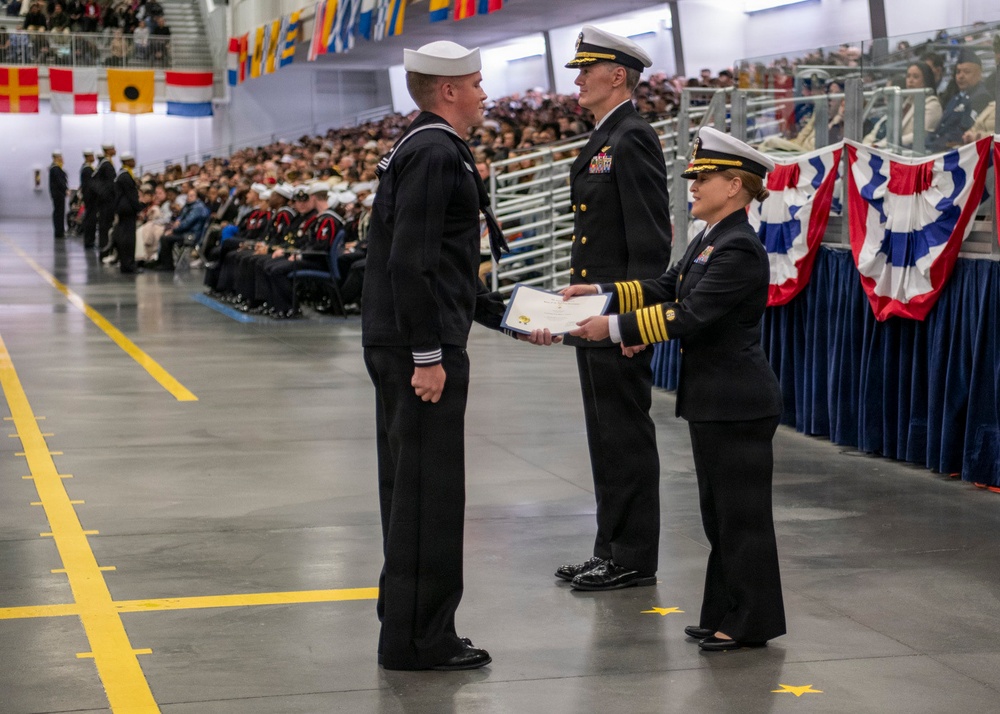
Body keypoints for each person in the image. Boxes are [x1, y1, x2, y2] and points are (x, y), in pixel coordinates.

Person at [361, 40, 554, 672]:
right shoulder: (435, 151)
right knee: (428, 495)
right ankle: (422, 640)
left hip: (409, 339)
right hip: (418, 348)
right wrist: (427, 355)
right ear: (448, 91)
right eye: (475, 82)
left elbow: (446, 270)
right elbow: (411, 261)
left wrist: (515, 318)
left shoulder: (425, 145)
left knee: (411, 491)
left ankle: (407, 627)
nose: (484, 93)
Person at [567, 126, 785, 652]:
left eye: (704, 178)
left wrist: (613, 327)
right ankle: (725, 612)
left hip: (737, 402)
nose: (694, 186)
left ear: (734, 186)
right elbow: (667, 285)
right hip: (715, 401)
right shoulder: (711, 238)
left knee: (742, 518)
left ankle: (750, 621)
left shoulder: (739, 248)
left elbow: (690, 313)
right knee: (719, 516)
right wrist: (602, 291)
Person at [554, 25, 672, 592]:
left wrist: (632, 321)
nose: (578, 80)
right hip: (594, 313)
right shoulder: (606, 136)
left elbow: (649, 242)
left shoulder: (633, 137)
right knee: (606, 436)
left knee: (624, 436)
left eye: (587, 69)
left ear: (618, 75)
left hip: (617, 318)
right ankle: (609, 547)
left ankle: (632, 556)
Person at [927, 48, 991, 151]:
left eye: (966, 72)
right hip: (939, 147)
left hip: (954, 151)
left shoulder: (981, 97)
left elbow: (964, 132)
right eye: (958, 72)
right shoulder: (956, 97)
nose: (960, 76)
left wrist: (934, 145)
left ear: (979, 74)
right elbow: (940, 128)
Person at [112, 152, 145, 274]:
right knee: (128, 239)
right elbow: (132, 196)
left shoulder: (122, 174)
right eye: (132, 160)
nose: (134, 162)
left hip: (123, 210)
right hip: (127, 210)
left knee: (124, 237)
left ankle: (126, 264)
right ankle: (128, 265)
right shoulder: (125, 176)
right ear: (127, 161)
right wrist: (139, 208)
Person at [94, 144, 118, 256]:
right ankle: (105, 248)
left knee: (105, 224)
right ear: (108, 150)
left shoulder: (104, 163)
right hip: (107, 200)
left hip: (104, 199)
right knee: (106, 225)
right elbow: (110, 183)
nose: (115, 150)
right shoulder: (106, 164)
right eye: (113, 149)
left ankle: (104, 247)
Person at [78, 148, 98, 248]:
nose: (93, 157)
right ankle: (89, 240)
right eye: (92, 156)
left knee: (90, 218)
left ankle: (90, 240)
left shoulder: (87, 168)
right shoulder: (87, 169)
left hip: (89, 198)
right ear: (88, 157)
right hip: (90, 198)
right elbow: (91, 185)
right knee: (90, 219)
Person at [48, 151, 69, 239]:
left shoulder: (55, 168)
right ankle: (59, 232)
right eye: (60, 157)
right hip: (58, 194)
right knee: (59, 213)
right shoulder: (55, 168)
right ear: (56, 158)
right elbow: (60, 181)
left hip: (58, 194)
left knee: (59, 212)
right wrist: (65, 189)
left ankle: (60, 231)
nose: (62, 159)